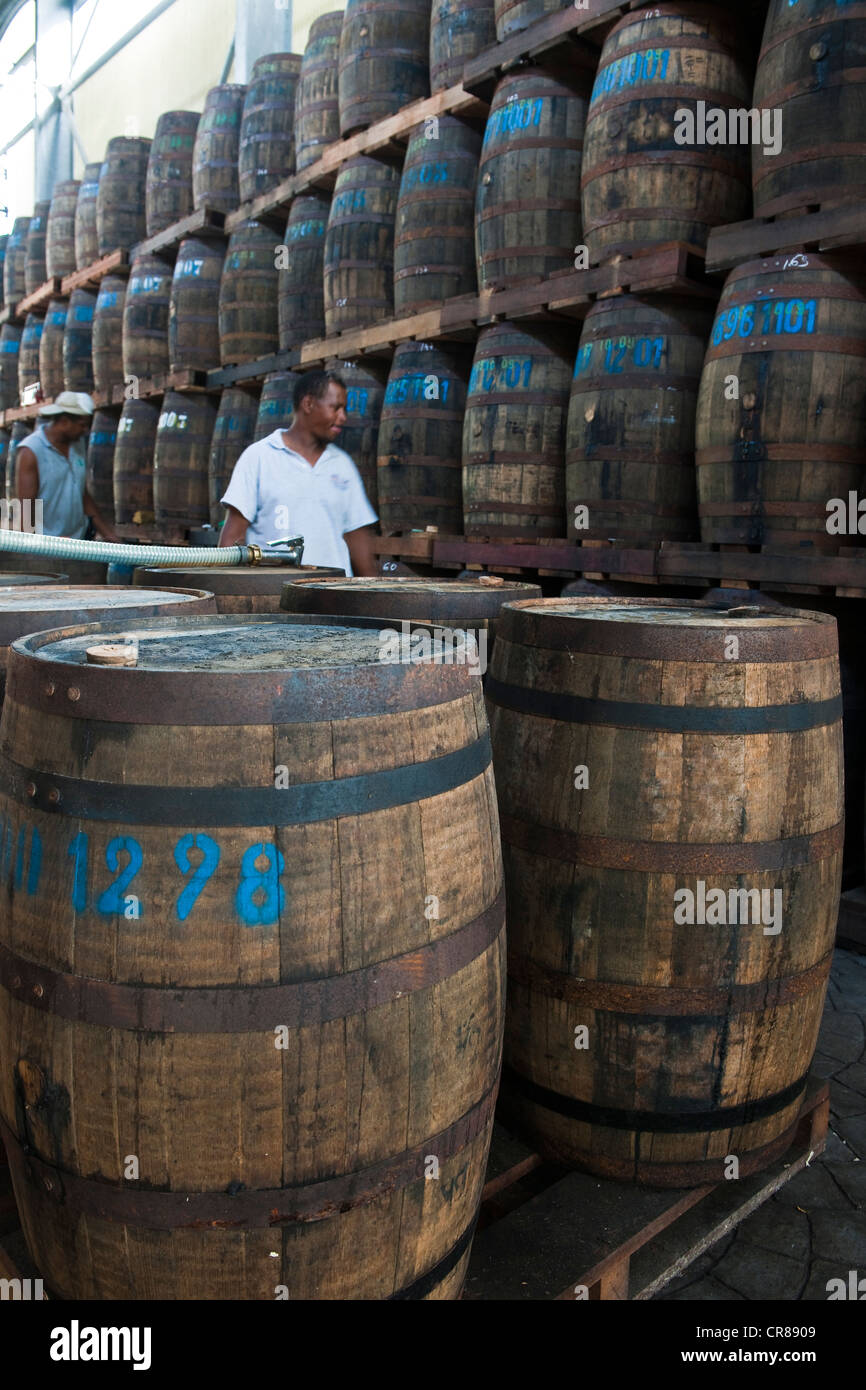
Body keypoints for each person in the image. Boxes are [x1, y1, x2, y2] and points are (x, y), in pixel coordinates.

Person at [219, 369, 378, 575]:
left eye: (344, 410)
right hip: (274, 596)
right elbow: (233, 538)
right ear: (308, 404)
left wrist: (373, 594)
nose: (343, 417)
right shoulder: (260, 457)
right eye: (336, 408)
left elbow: (358, 541)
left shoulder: (342, 465)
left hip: (335, 597)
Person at [15, 391, 119, 541]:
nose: (86, 430)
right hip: (47, 545)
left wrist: (108, 534)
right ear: (64, 422)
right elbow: (26, 508)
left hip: (78, 540)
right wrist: (36, 546)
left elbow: (81, 493)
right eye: (82, 425)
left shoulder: (77, 444)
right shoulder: (31, 451)